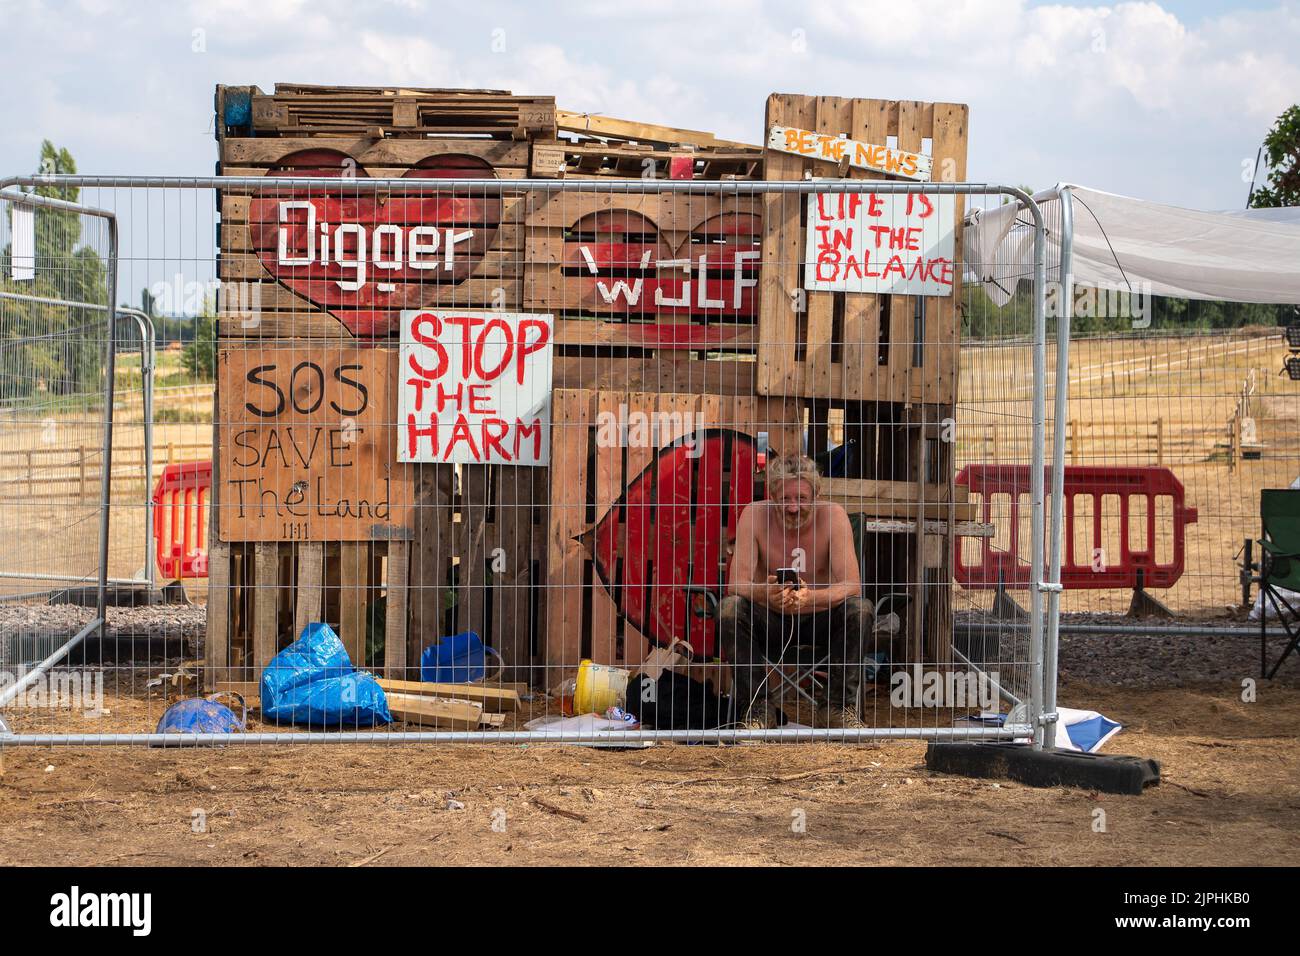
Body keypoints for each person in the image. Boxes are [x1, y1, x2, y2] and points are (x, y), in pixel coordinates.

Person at [720, 454, 874, 730]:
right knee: (730, 608)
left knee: (860, 609)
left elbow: (852, 585)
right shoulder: (754, 514)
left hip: (819, 620)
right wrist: (766, 594)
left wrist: (811, 597)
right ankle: (757, 708)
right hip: (771, 619)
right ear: (772, 495)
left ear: (817, 494)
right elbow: (737, 585)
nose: (793, 508)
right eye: (785, 499)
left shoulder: (834, 516)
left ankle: (837, 708)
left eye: (802, 499)